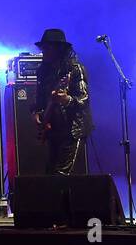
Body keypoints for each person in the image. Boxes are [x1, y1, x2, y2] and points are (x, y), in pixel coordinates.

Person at [31, 28, 92, 175]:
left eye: (47, 48)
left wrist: (67, 100)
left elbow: (84, 98)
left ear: (59, 49)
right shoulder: (43, 71)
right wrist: (36, 113)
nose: (44, 52)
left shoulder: (75, 69)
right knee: (50, 172)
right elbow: (39, 98)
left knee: (62, 174)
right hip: (53, 128)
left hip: (72, 128)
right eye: (43, 48)